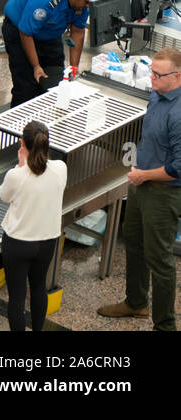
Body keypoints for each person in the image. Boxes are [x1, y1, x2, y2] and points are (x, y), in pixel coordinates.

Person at [97, 48, 181, 330]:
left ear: (177, 76)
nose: (152, 79)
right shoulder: (157, 94)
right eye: (152, 73)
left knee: (160, 258)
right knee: (133, 242)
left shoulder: (179, 113)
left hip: (163, 192)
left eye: (158, 75)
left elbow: (178, 168)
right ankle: (136, 302)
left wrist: (145, 174)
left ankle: (165, 325)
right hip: (141, 183)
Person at [0, 119, 66, 331]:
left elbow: (3, 195)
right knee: (38, 289)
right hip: (47, 241)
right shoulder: (61, 168)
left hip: (18, 243)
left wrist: (20, 165)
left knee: (17, 298)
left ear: (22, 144)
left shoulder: (16, 175)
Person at [2, 0, 104, 107]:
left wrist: (74, 66)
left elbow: (78, 32)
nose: (87, 6)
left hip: (51, 34)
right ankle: (21, 126)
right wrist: (36, 66)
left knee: (56, 85)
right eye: (86, 2)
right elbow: (26, 32)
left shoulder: (82, 0)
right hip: (20, 32)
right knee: (26, 89)